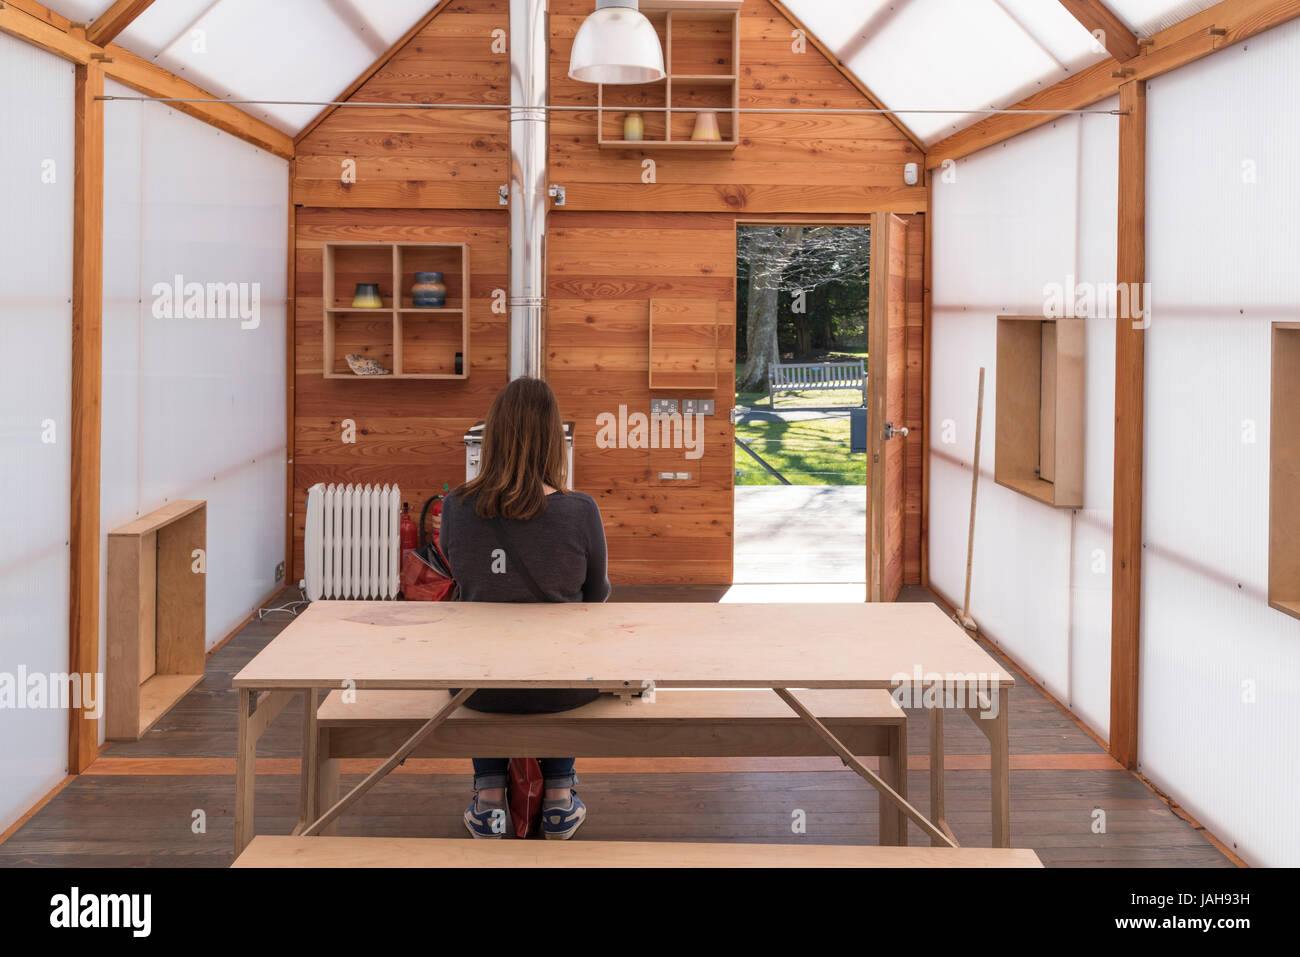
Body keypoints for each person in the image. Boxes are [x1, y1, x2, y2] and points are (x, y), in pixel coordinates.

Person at [439, 377, 611, 841]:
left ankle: (490, 798)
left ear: (492, 435)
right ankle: (557, 797)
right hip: (562, 691)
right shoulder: (581, 510)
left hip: (476, 691)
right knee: (566, 655)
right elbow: (596, 597)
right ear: (554, 439)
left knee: (483, 656)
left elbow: (460, 579)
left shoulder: (455, 507)